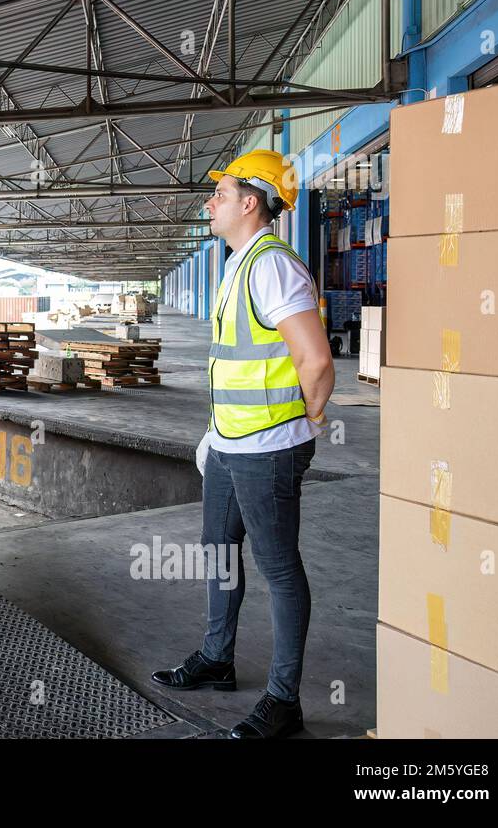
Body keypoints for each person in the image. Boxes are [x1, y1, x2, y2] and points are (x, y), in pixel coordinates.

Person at [151, 149, 335, 739]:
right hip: (231, 442)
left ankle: (284, 702)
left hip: (268, 447)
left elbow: (316, 360)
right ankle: (217, 658)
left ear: (250, 202)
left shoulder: (272, 267)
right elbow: (238, 364)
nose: (210, 202)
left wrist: (299, 422)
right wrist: (217, 432)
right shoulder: (237, 264)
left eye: (220, 193)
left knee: (280, 569)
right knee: (219, 552)